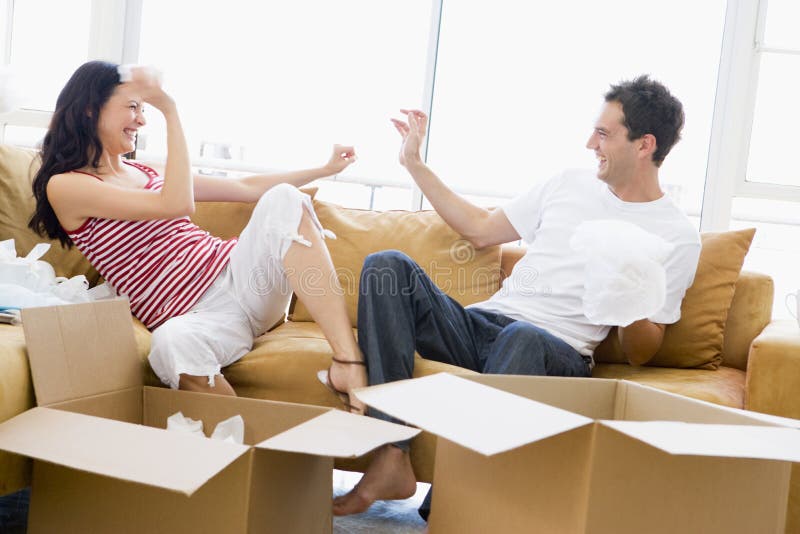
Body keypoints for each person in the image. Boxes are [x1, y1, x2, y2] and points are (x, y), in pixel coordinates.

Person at [330, 75, 702, 518]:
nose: (590, 143)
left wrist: (625, 293)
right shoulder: (568, 184)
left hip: (556, 354)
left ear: (644, 145)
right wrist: (414, 164)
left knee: (521, 337)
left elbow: (643, 351)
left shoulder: (676, 235)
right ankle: (392, 453)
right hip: (484, 327)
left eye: (604, 134)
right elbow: (480, 229)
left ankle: (451, 506)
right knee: (386, 266)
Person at [29, 60, 366, 396]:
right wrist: (171, 111)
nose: (142, 120)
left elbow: (246, 188)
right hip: (201, 321)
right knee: (169, 345)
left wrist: (324, 169)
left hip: (244, 279)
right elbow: (175, 205)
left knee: (283, 199)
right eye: (133, 107)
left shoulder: (145, 172)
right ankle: (243, 443)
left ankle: (347, 362)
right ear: (90, 109)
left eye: (145, 109)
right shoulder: (66, 186)